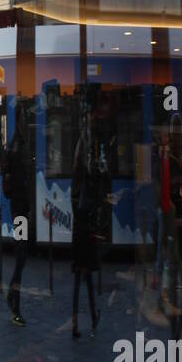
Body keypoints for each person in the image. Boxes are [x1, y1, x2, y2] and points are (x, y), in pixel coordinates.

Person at [2, 112, 32, 326]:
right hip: (19, 208)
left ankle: (13, 296)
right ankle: (15, 305)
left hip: (20, 207)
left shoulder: (17, 144)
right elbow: (16, 179)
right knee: (21, 253)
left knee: (22, 253)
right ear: (20, 123)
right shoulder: (17, 146)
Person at [71, 133, 100, 339]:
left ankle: (76, 322)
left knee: (80, 280)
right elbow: (84, 205)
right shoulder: (86, 177)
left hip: (77, 233)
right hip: (85, 233)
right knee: (88, 278)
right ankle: (92, 317)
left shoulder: (75, 175)